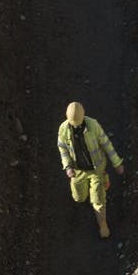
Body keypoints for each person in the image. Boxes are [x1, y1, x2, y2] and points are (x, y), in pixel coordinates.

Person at [57, 101, 124, 238]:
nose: (76, 126)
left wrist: (116, 163)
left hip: (95, 169)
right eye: (73, 124)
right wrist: (68, 166)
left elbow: (106, 143)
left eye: (78, 123)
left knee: (98, 200)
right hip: (78, 171)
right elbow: (62, 148)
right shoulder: (63, 129)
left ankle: (103, 224)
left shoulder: (93, 125)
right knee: (79, 198)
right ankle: (91, 189)